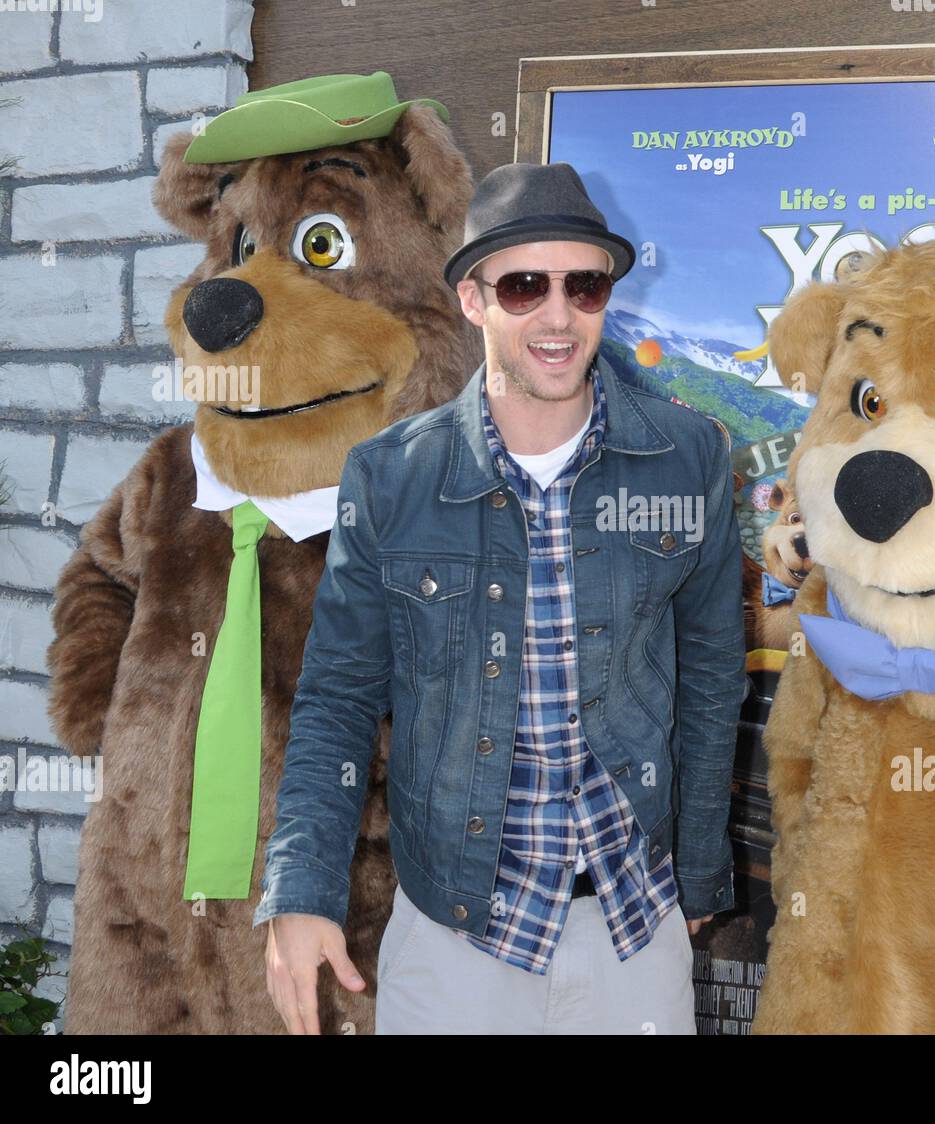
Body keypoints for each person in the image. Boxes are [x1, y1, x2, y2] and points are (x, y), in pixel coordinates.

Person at [254, 161, 748, 1034]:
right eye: (524, 286)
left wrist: (700, 870)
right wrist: (301, 890)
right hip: (457, 942)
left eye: (583, 286)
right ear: (473, 300)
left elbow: (712, 677)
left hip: (633, 929)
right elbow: (336, 698)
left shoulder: (686, 457)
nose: (557, 315)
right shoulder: (392, 477)